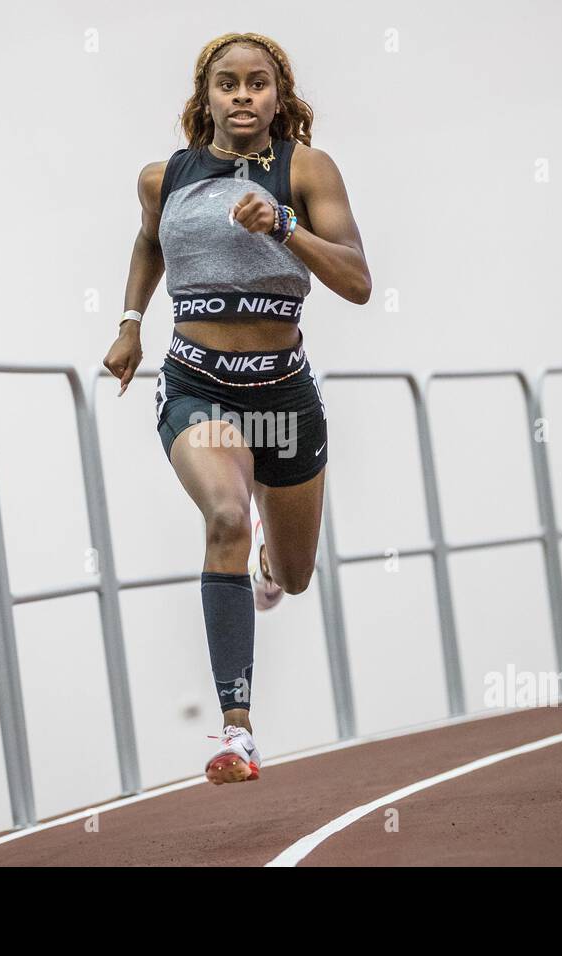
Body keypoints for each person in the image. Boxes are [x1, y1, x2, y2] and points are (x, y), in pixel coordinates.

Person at [102, 32, 371, 783]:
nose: (243, 96)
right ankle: (236, 730)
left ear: (279, 96)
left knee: (296, 569)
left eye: (258, 84)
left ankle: (268, 568)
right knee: (224, 513)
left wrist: (285, 225)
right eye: (229, 84)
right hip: (198, 382)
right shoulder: (166, 177)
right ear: (206, 95)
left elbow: (356, 280)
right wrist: (130, 325)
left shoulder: (305, 169)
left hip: (283, 394)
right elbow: (150, 243)